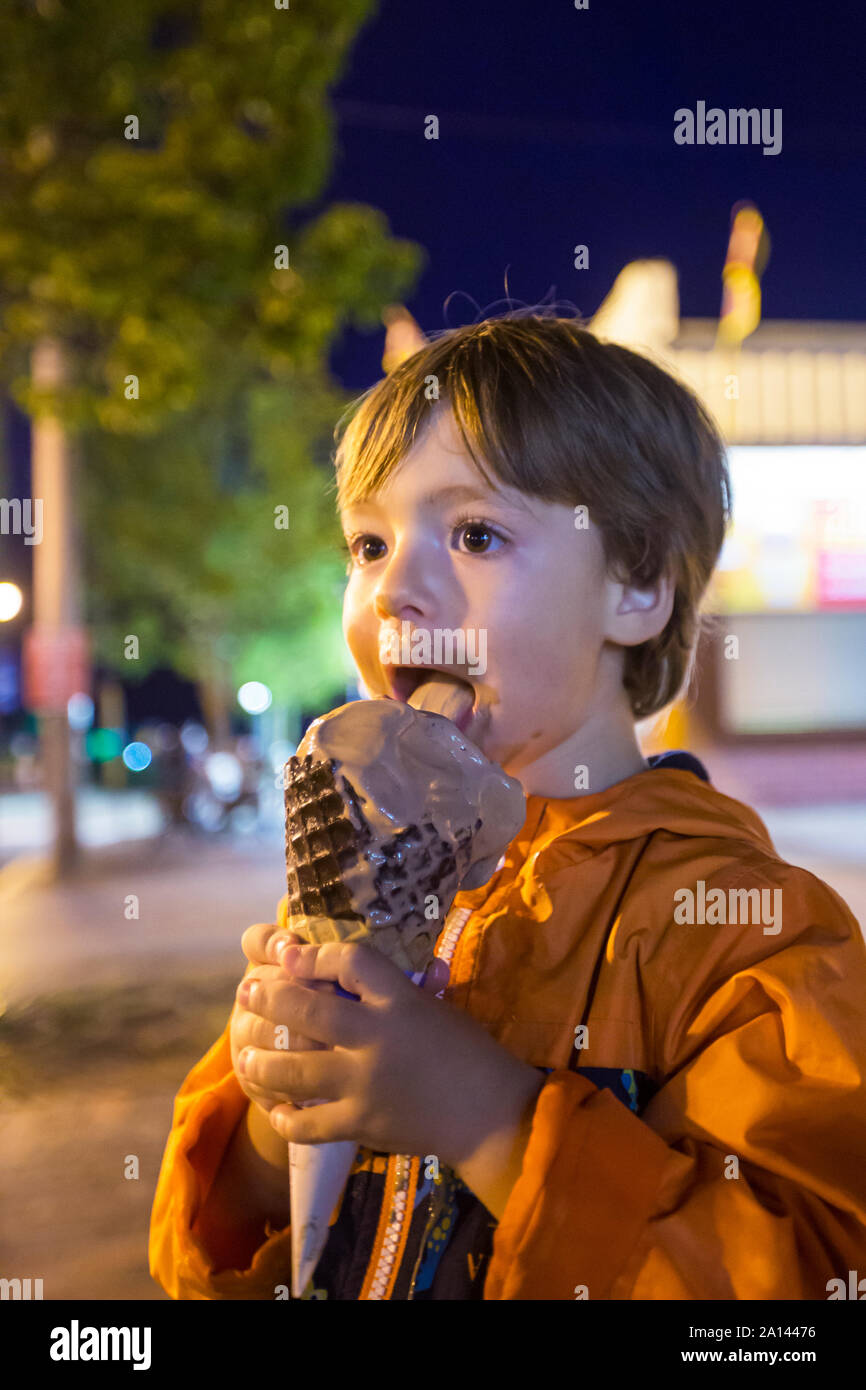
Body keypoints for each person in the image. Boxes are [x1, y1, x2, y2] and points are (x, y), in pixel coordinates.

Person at [149, 314, 866, 1299]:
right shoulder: (374, 872)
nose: (394, 585)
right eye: (366, 540)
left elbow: (799, 1283)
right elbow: (212, 1261)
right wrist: (279, 1124)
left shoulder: (748, 938)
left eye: (475, 533)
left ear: (639, 584)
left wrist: (489, 1120)